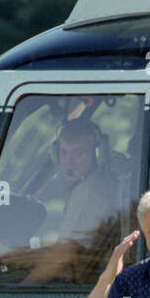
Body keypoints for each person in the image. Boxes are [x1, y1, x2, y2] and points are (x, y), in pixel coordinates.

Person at [21, 119, 120, 283]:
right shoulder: (101, 184)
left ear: (98, 156)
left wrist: (21, 292)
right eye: (64, 153)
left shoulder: (90, 191)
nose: (69, 161)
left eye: (79, 153)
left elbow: (63, 254)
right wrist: (10, 257)